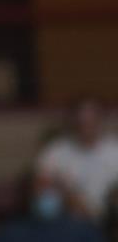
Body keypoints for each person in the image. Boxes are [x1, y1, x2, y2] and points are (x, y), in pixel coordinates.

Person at [36, 98, 118, 230]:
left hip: (106, 221)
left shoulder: (115, 149)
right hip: (65, 221)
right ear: (72, 120)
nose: (86, 123)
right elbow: (43, 200)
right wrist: (65, 197)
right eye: (81, 118)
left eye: (92, 118)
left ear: (101, 119)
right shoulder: (55, 151)